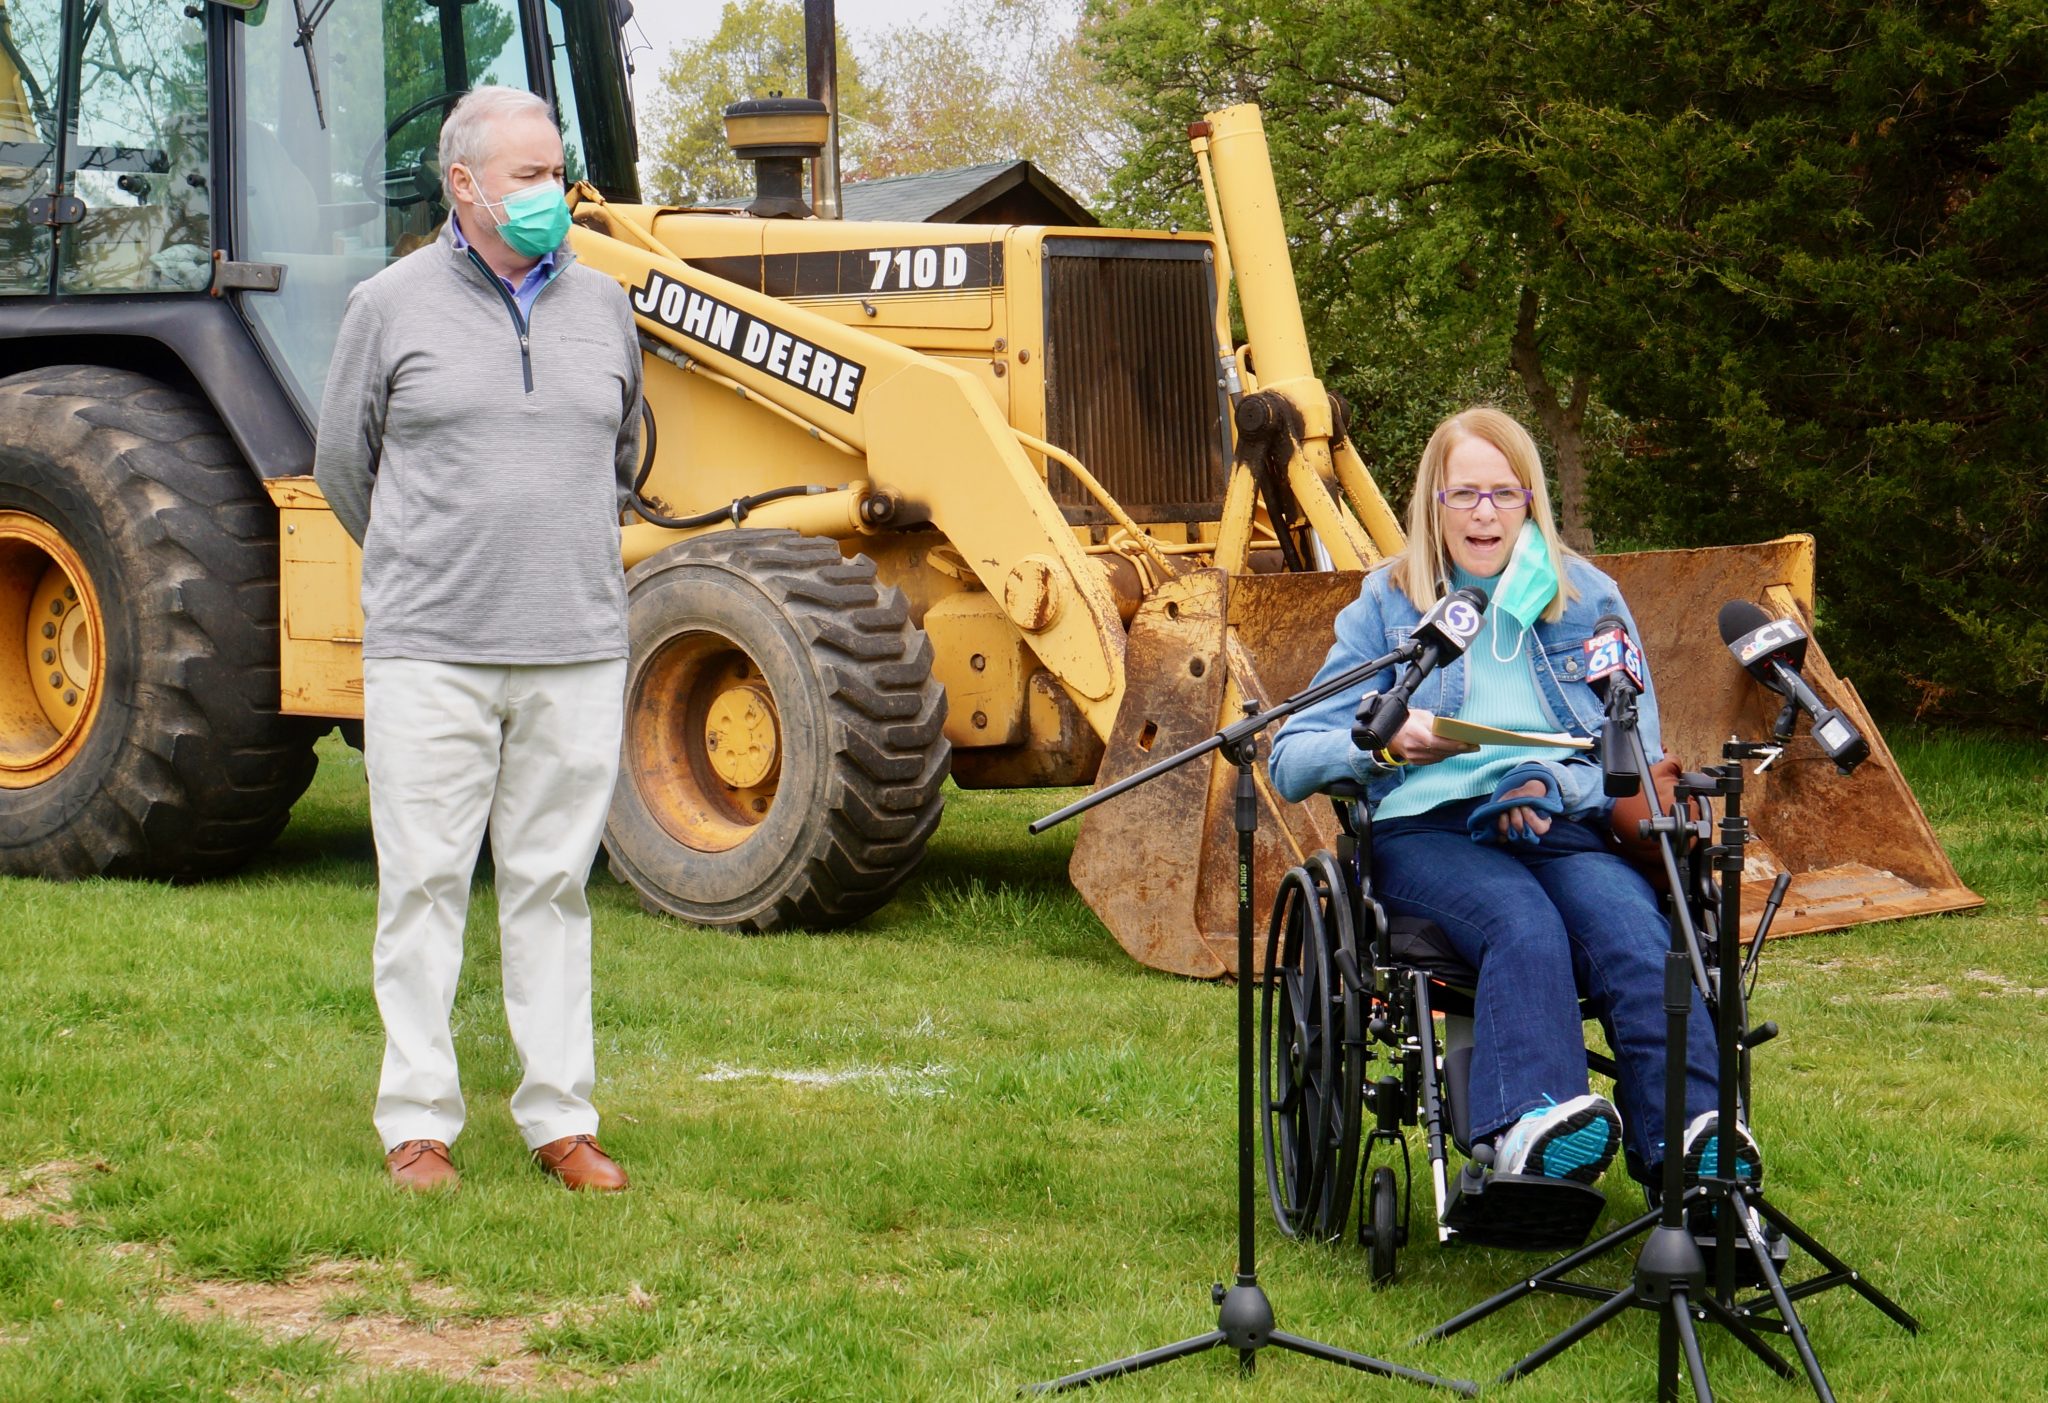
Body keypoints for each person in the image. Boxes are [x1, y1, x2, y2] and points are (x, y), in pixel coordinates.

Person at [1268, 407, 1759, 1190]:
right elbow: (1290, 755)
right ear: (1434, 503)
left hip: (1561, 823)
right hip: (1426, 832)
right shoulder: (1388, 607)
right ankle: (1533, 1130)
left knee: (1637, 935)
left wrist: (1543, 780)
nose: (1485, 513)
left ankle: (1696, 1150)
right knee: (1522, 923)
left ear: (1532, 500)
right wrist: (1388, 742)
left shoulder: (1589, 598)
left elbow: (1633, 753)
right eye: (1465, 494)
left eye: (1504, 493)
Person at [314, 86, 642, 1193]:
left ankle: (560, 1118)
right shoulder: (386, 305)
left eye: (558, 172)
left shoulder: (603, 310)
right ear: (464, 185)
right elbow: (344, 469)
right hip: (433, 650)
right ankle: (416, 1121)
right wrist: (430, 563)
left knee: (553, 884)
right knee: (423, 883)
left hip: (578, 646)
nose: (556, 195)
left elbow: (623, 454)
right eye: (531, 176)